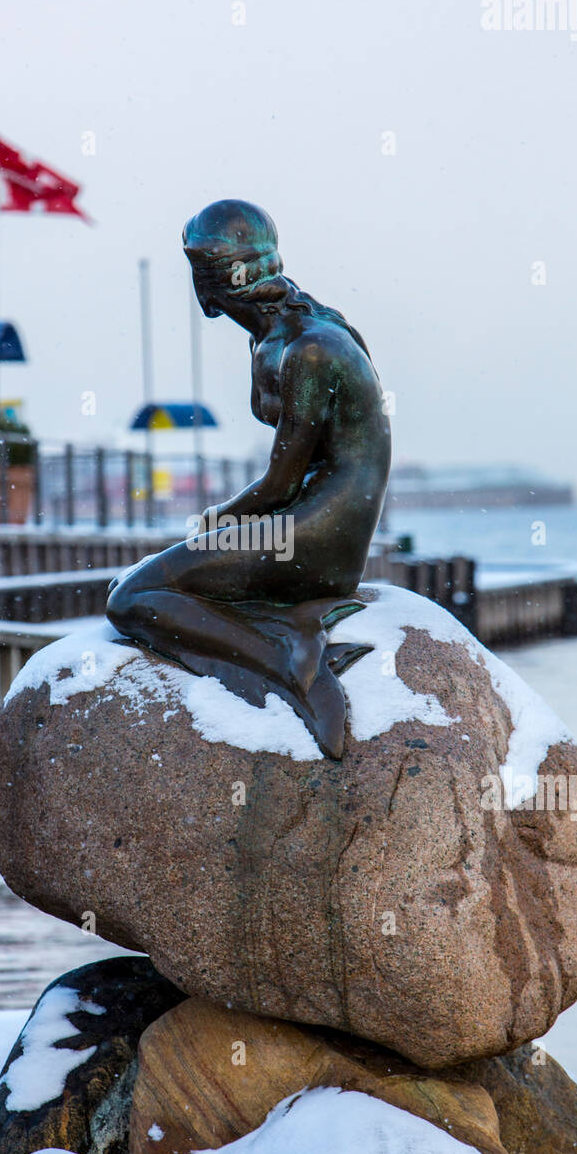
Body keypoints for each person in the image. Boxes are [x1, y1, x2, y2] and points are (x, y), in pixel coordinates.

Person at [106, 199, 391, 757]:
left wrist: (214, 525)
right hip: (306, 519)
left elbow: (281, 485)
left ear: (211, 280)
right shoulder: (275, 336)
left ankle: (287, 659)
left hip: (322, 535)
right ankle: (279, 637)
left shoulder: (311, 350)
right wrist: (214, 536)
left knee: (134, 599)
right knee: (127, 587)